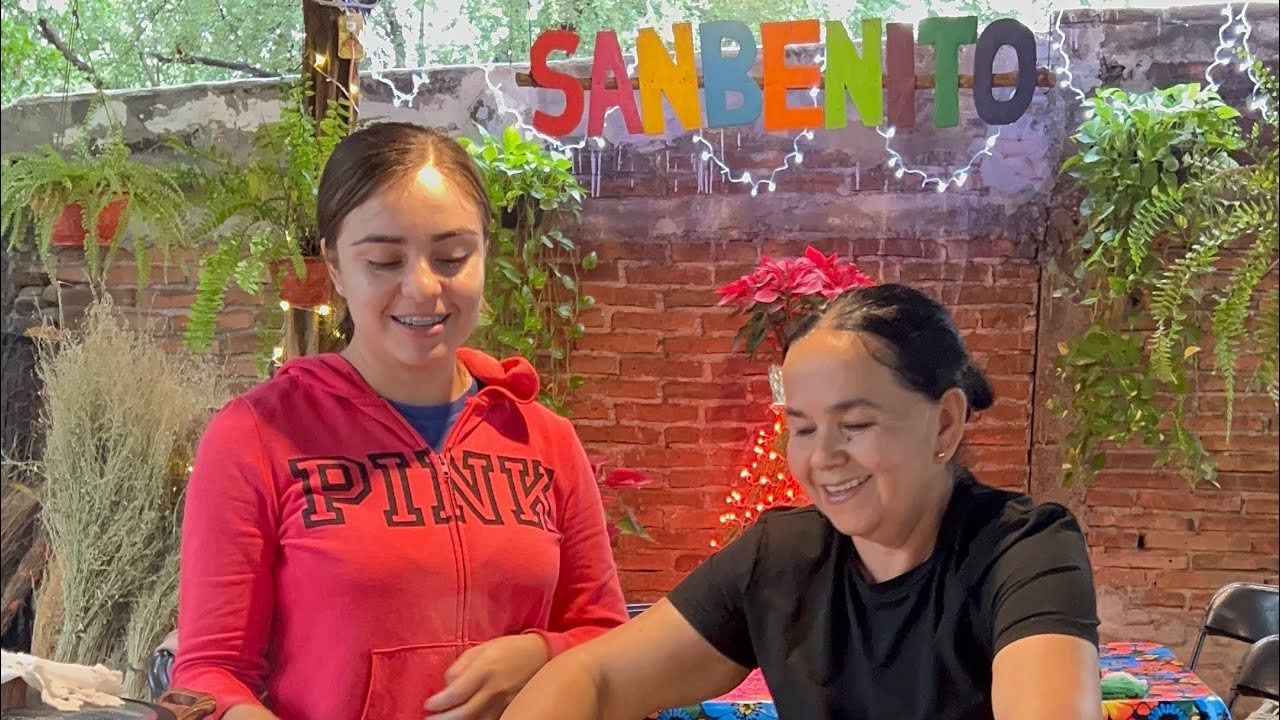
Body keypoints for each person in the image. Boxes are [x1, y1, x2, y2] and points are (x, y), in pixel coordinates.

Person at [169, 122, 628, 720]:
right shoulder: (255, 436)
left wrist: (544, 654)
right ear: (334, 266)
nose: (421, 287)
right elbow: (208, 674)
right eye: (384, 260)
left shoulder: (543, 438)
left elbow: (609, 641)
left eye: (452, 256)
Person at [500, 283, 1103, 720]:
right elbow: (595, 677)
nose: (823, 458)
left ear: (945, 424)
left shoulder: (1023, 549)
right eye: (804, 429)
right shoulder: (781, 556)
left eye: (856, 424)